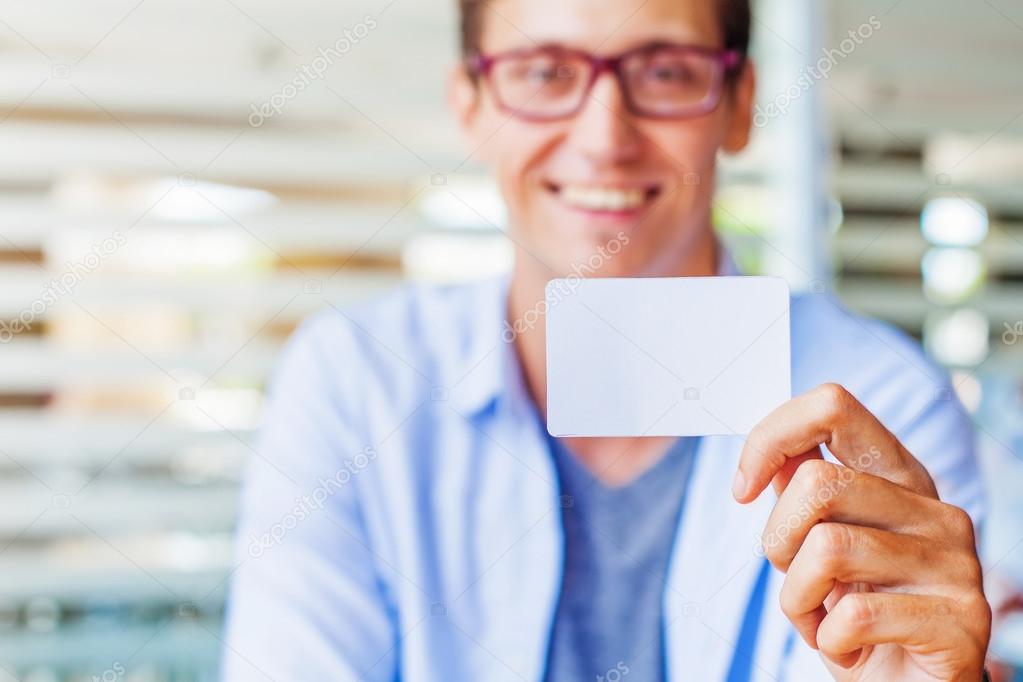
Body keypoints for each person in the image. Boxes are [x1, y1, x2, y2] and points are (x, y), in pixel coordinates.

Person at [221, 0, 991, 679]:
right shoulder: (355, 382)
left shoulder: (880, 406)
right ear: (471, 103)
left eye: (662, 72)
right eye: (545, 72)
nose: (604, 138)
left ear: (739, 103)